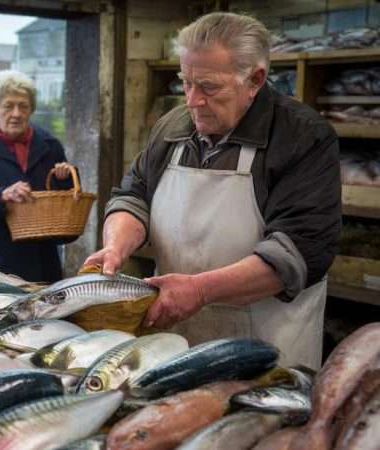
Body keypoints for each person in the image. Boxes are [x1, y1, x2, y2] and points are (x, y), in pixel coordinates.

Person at [84, 12, 341, 368]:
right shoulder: (172, 126)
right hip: (175, 336)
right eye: (186, 82)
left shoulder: (302, 137)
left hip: (264, 348)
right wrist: (115, 246)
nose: (192, 100)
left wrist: (201, 290)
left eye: (208, 86)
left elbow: (297, 252)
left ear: (254, 79)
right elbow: (134, 196)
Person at [0, 70, 74, 283]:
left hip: (43, 262)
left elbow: (64, 208)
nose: (17, 113)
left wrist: (64, 180)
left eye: (23, 106)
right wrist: (1, 196)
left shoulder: (50, 145)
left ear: (31, 110)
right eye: (8, 106)